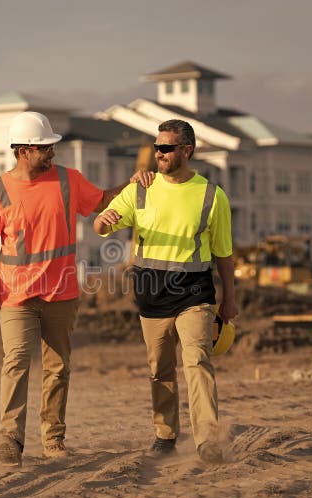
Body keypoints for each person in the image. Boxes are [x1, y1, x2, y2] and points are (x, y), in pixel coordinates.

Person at [0, 111, 152, 467]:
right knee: (17, 360)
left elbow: (101, 201)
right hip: (16, 295)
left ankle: (53, 439)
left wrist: (133, 185)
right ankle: (10, 437)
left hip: (61, 292)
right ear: (24, 151)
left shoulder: (68, 181)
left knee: (58, 367)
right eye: (45, 148)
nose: (52, 153)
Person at [93, 119, 238, 463]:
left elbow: (224, 254)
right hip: (151, 296)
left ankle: (207, 439)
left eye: (166, 148)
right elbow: (102, 222)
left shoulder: (211, 196)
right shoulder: (140, 189)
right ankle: (165, 434)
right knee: (159, 368)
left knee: (197, 361)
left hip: (195, 295)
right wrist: (104, 221)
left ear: (186, 150)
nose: (159, 154)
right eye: (157, 147)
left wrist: (229, 299)